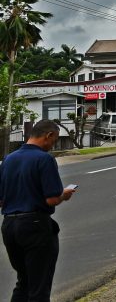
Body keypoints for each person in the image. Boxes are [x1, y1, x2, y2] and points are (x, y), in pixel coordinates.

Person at [0, 120, 75, 302]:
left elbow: (1, 200)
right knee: (39, 287)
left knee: (23, 282)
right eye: (55, 140)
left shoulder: (9, 159)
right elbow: (51, 199)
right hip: (35, 225)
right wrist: (64, 194)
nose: (53, 145)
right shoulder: (44, 159)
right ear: (48, 136)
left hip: (9, 225)